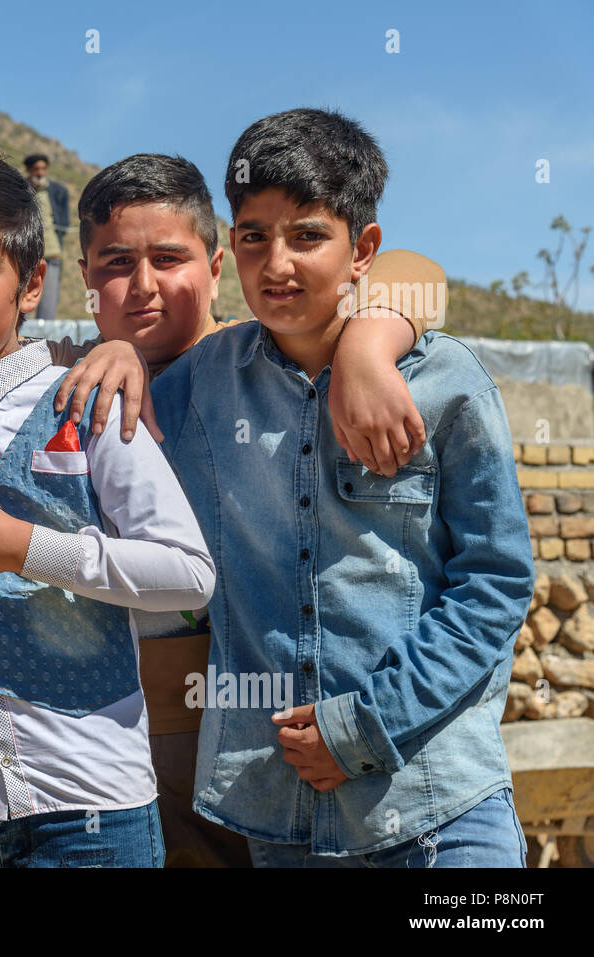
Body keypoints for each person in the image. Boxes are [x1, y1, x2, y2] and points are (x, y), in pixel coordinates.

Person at [0, 155, 446, 866]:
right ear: (79, 274)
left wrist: (368, 344)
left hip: (281, 738)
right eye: (116, 262)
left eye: (169, 258)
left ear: (217, 261)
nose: (143, 286)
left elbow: (414, 272)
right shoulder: (79, 379)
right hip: (119, 754)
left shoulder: (260, 360)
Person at [150, 108, 532, 866]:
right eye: (254, 235)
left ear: (363, 249)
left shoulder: (447, 383)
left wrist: (365, 724)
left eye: (307, 236)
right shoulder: (199, 390)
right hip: (280, 818)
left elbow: (494, 581)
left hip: (437, 807)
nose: (277, 262)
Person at [0, 152, 217, 868]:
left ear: (31, 285)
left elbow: (188, 573)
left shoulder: (86, 403)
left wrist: (21, 546)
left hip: (92, 799)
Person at [22, 154, 68, 321]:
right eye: (36, 169)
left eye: (43, 169)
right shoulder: (20, 191)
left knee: (48, 303)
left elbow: (64, 222)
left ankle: (45, 342)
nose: (40, 173)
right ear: (28, 170)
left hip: (52, 253)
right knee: (22, 301)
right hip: (27, 256)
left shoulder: (58, 192)